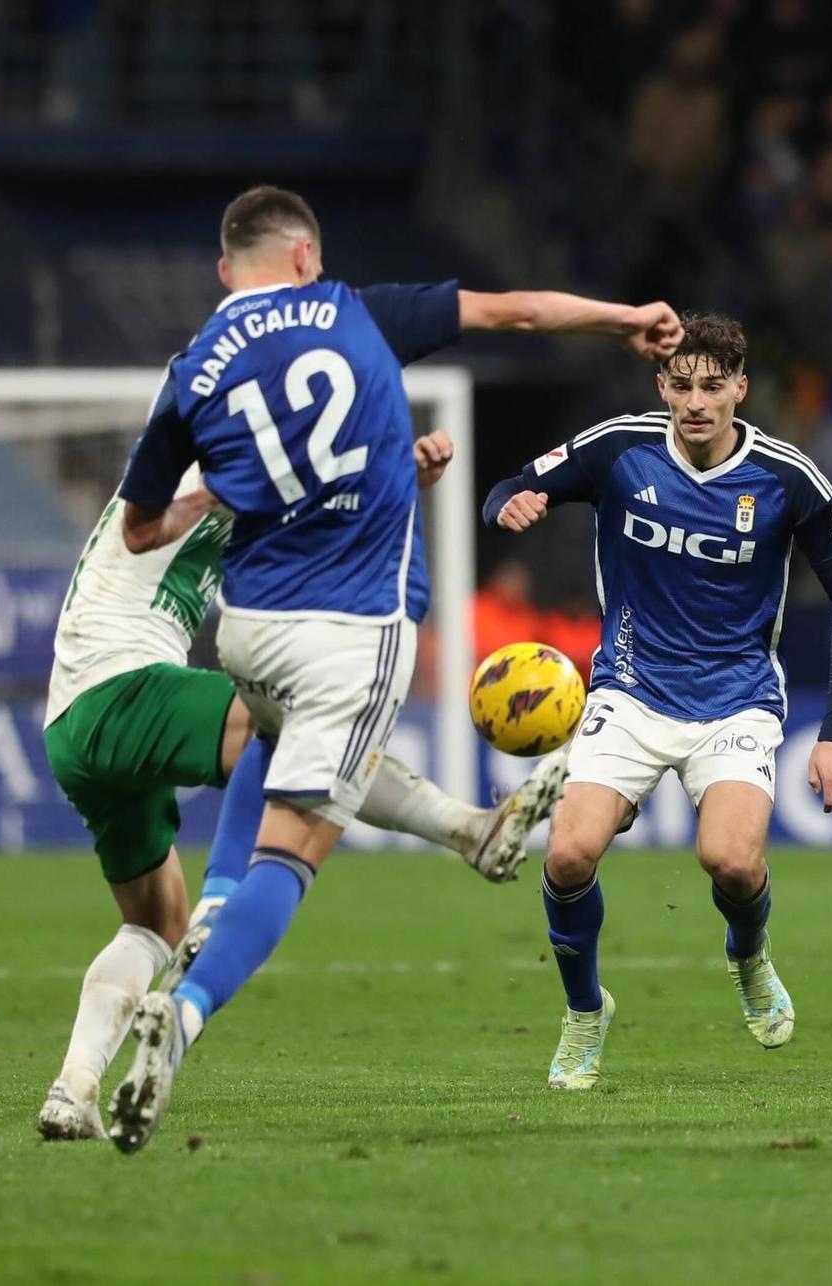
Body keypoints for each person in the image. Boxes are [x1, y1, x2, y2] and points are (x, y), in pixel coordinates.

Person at [93, 186, 681, 1152]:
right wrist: (625, 321)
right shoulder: (350, 310)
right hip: (353, 632)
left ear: (223, 271)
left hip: (246, 629)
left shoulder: (193, 370)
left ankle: (466, 832)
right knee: (298, 846)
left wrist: (232, 490)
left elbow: (141, 526)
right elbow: (517, 311)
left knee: (284, 740)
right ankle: (189, 1007)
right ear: (305, 258)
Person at [34, 431, 570, 1142]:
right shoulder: (231, 457)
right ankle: (466, 831)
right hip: (120, 688)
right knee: (291, 722)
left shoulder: (199, 461)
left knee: (153, 921)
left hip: (69, 722)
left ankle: (72, 1090)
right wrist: (389, 471)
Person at [482, 313, 832, 1089]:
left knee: (729, 861)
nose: (696, 402)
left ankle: (749, 954)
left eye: (712, 387)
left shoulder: (789, 478)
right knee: (566, 854)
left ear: (740, 389)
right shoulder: (620, 447)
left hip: (736, 699)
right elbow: (510, 485)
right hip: (628, 690)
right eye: (682, 386)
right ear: (662, 386)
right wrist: (508, 505)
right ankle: (585, 1013)